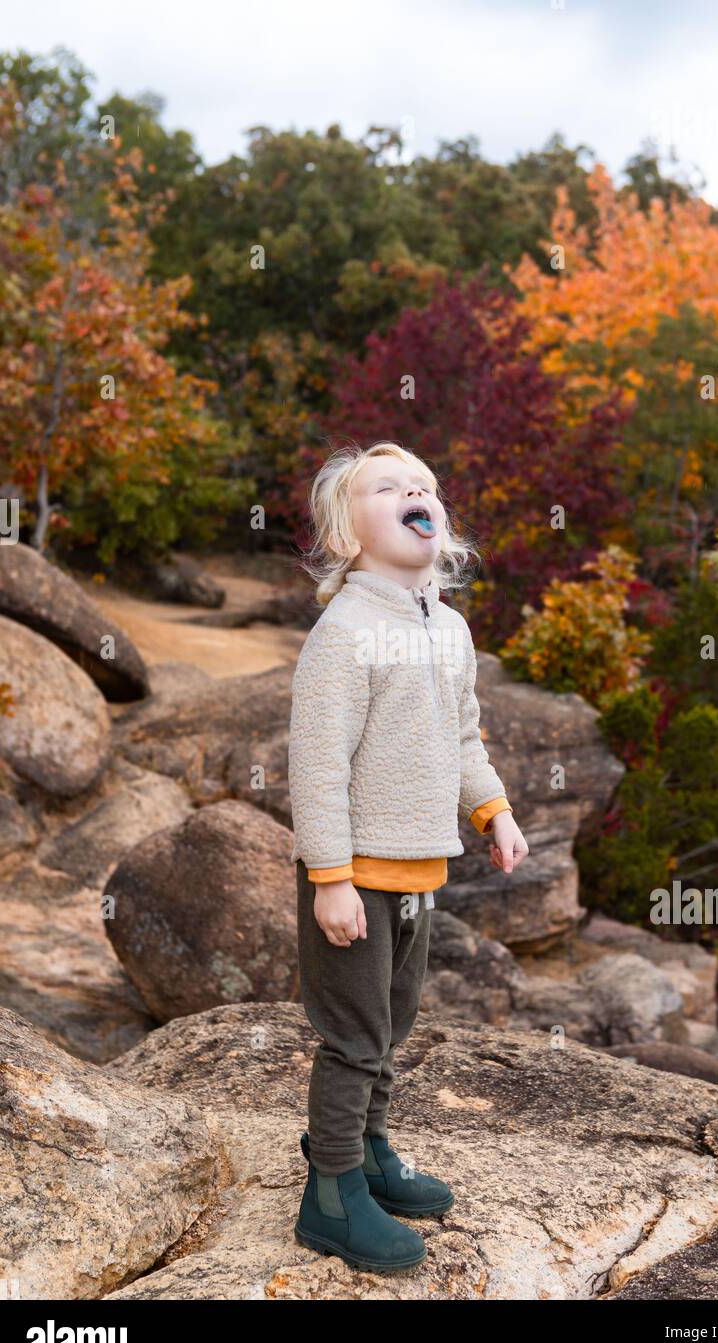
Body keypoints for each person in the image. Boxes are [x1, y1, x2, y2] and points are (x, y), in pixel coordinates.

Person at [288, 440, 529, 1272]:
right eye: (387, 488)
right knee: (354, 1037)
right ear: (348, 535)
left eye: (423, 485)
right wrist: (330, 879)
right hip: (354, 876)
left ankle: (372, 1153)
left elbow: (463, 734)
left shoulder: (449, 628)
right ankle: (331, 1194)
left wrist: (492, 808)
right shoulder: (345, 631)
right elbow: (316, 764)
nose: (413, 493)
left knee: (392, 1030)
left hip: (421, 873)